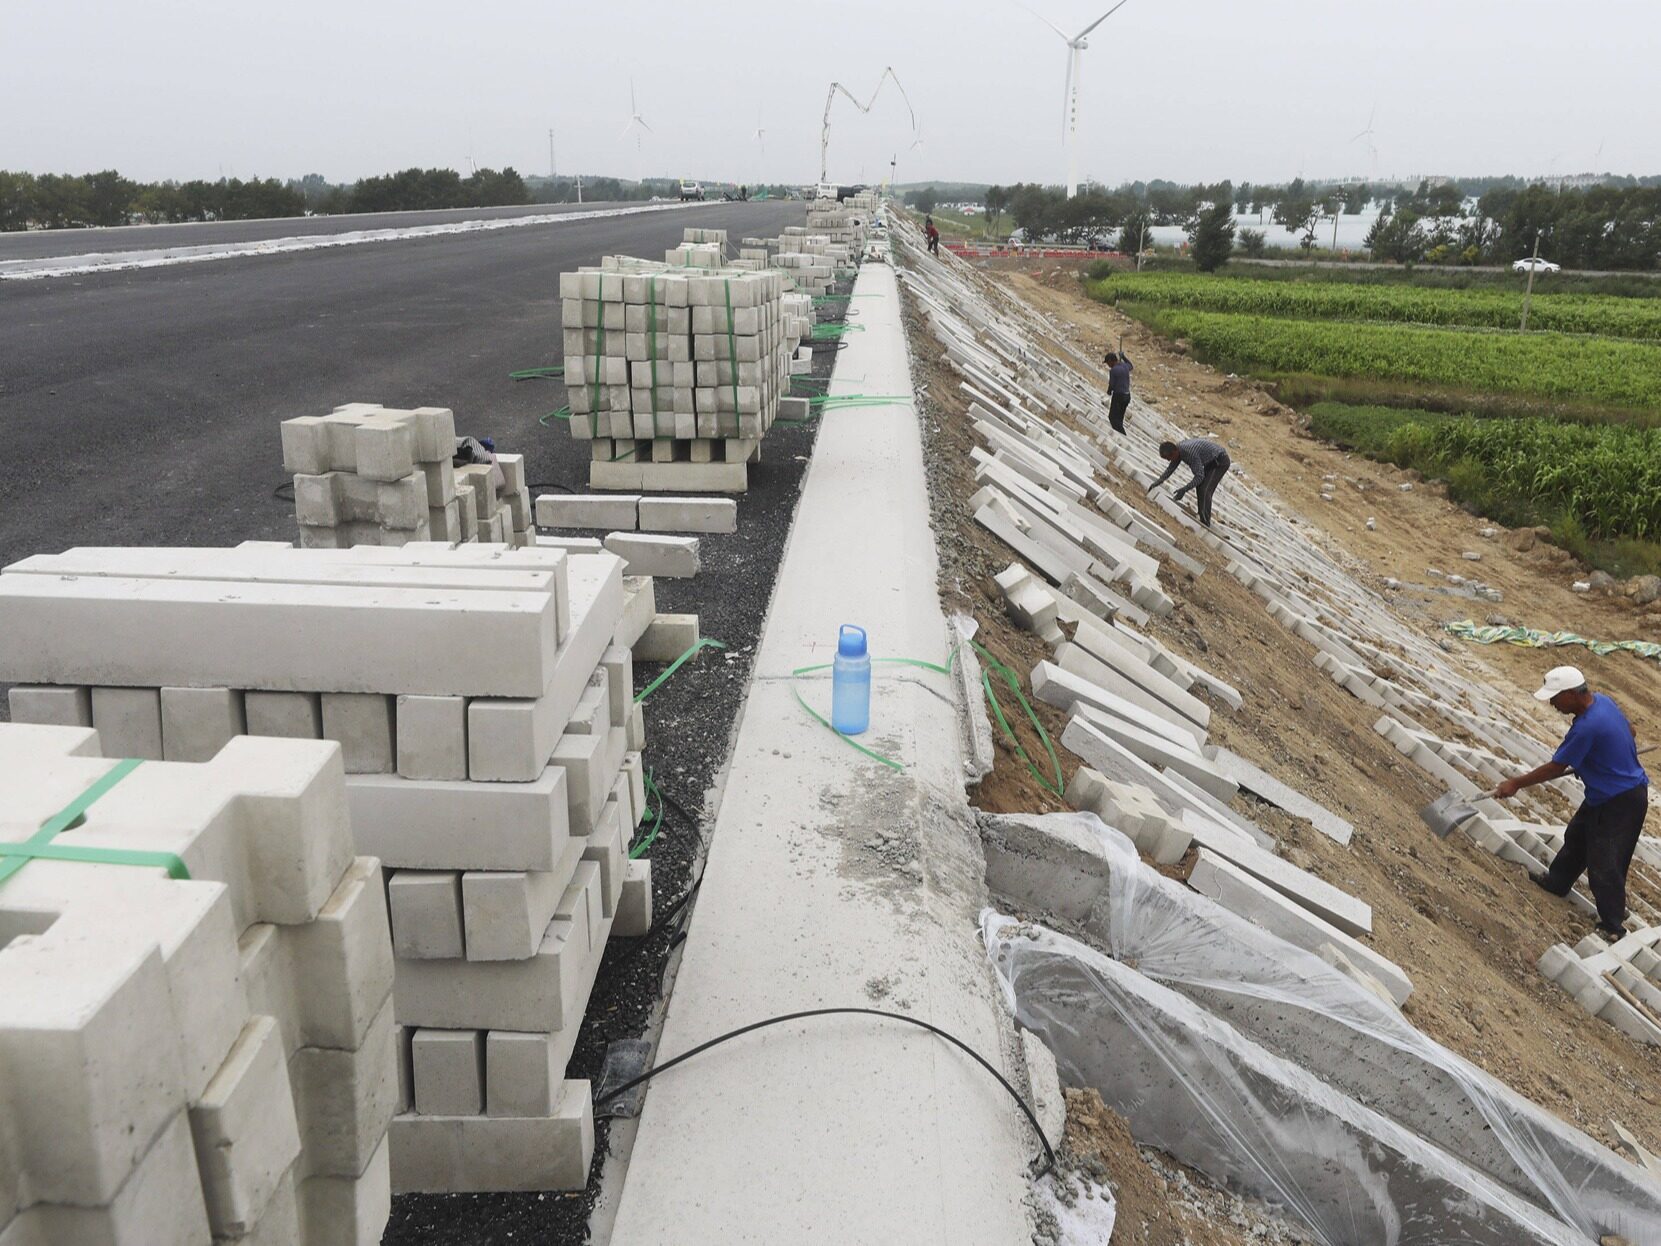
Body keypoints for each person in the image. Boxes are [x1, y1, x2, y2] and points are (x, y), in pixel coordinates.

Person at [1495, 667, 1649, 938]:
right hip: (1606, 793)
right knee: (1577, 836)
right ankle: (1557, 882)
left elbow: (1556, 767)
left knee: (1606, 860)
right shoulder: (1603, 703)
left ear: (1571, 694)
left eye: (1555, 698)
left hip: (1620, 801)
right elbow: (1631, 731)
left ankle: (1613, 925)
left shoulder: (1587, 727)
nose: (1552, 704)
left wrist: (1516, 783)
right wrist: (1603, 754)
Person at [1147, 438, 1231, 527]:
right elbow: (1170, 469)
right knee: (1200, 487)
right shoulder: (1178, 450)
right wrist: (1157, 482)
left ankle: (1205, 522)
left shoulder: (1189, 453)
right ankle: (1202, 516)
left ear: (1174, 452)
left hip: (1220, 461)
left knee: (1205, 489)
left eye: (1169, 458)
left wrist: (1184, 489)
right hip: (1211, 460)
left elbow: (1199, 476)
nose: (1169, 461)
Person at [1103, 349, 1133, 434]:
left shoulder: (1113, 370)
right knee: (1119, 419)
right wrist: (1123, 357)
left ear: (1110, 361)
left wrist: (1108, 392)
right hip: (1127, 396)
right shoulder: (1125, 366)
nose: (1108, 365)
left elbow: (1112, 384)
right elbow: (1131, 365)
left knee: (1112, 418)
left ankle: (1121, 434)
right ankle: (1120, 433)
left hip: (1118, 396)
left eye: (1108, 363)